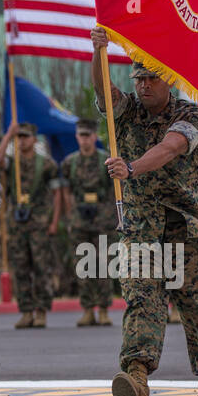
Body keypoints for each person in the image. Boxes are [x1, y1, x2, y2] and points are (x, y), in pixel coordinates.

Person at [90, 26, 198, 396]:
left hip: (190, 230)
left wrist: (131, 168)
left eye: (152, 78)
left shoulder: (191, 116)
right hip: (141, 230)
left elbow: (170, 148)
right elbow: (103, 93)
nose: (145, 85)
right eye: (139, 79)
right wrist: (96, 51)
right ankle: (137, 380)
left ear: (168, 79)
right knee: (142, 303)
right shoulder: (128, 111)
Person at [54, 118, 118, 327]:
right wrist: (69, 216)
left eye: (88, 135)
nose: (84, 139)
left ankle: (104, 309)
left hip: (102, 219)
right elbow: (65, 191)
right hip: (80, 220)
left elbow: (116, 191)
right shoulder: (69, 163)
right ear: (77, 137)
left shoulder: (105, 160)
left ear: (94, 136)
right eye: (81, 135)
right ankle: (88, 309)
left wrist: (115, 218)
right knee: (82, 264)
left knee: (103, 264)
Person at [0, 122, 57, 328]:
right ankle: (26, 311)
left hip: (38, 222)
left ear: (34, 139)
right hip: (17, 223)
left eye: (25, 137)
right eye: (18, 137)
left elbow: (57, 195)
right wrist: (7, 136)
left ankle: (41, 311)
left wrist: (53, 221)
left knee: (40, 267)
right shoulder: (12, 163)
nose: (22, 141)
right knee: (20, 268)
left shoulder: (45, 164)